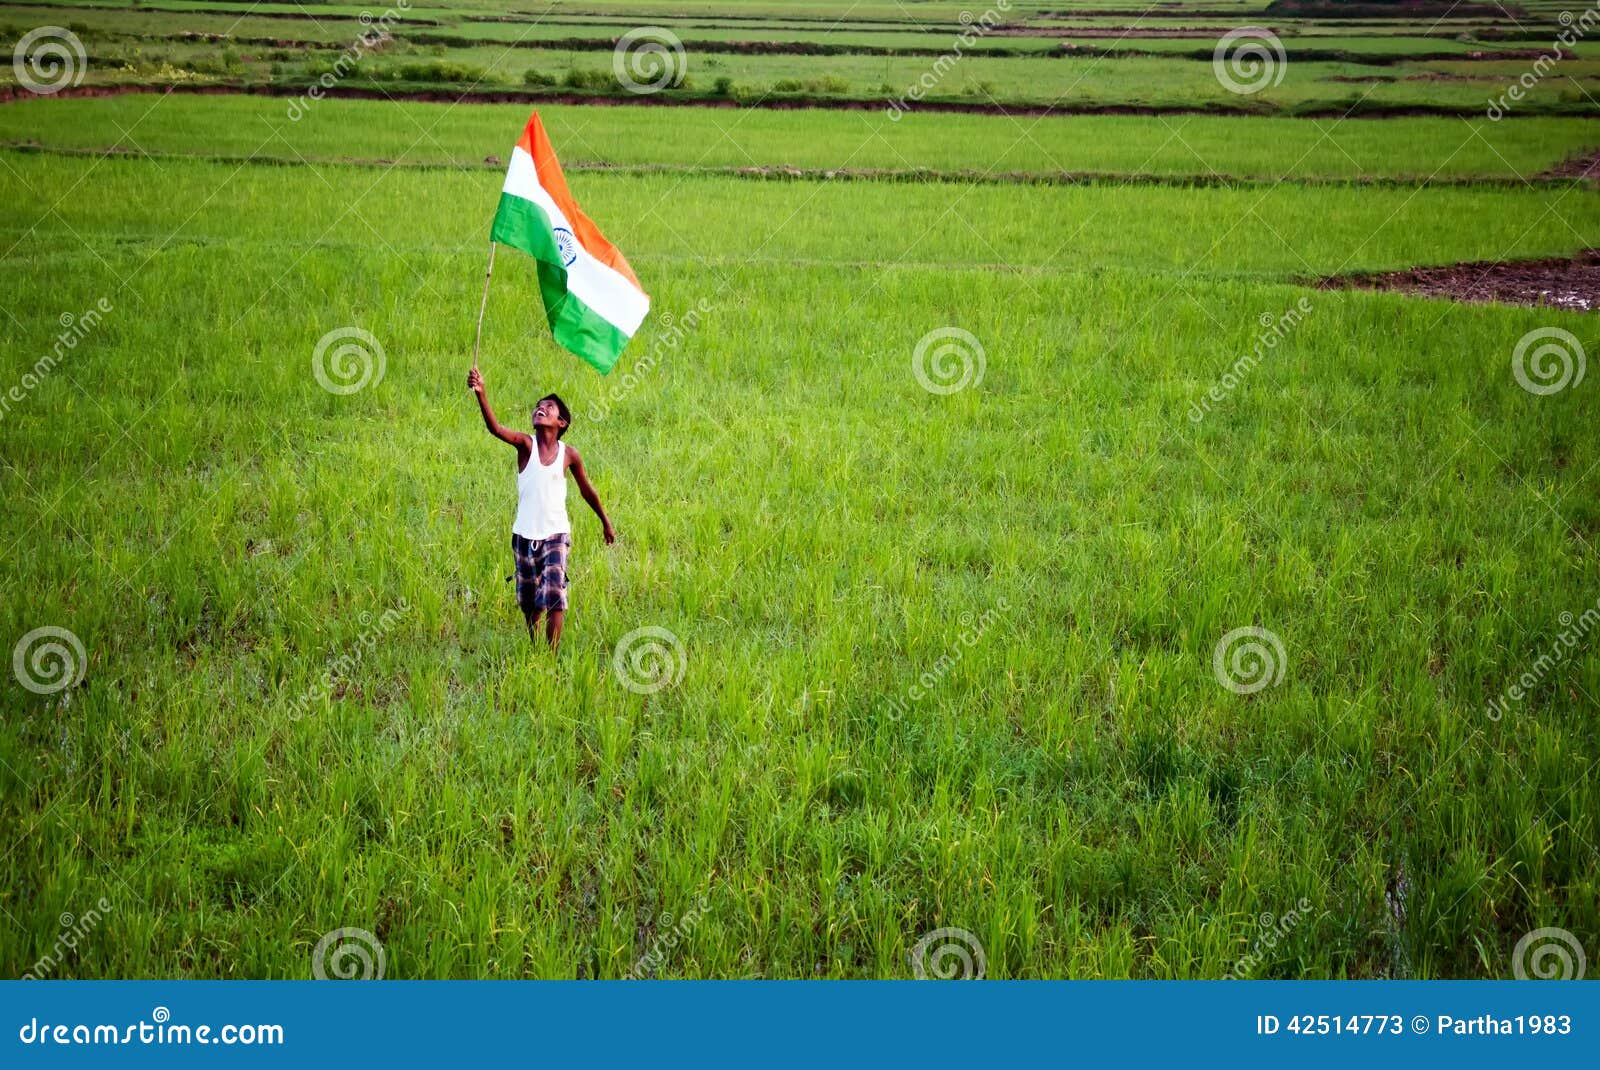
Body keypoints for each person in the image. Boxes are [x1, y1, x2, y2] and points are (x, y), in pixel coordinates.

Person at [468, 367, 615, 650]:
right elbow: (495, 429)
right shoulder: (526, 445)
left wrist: (605, 522)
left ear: (561, 422)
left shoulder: (569, 454)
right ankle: (536, 648)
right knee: (530, 603)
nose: (540, 409)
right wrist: (482, 394)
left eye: (548, 408)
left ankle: (550, 658)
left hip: (556, 535)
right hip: (524, 536)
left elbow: (587, 491)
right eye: (538, 407)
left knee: (554, 597)